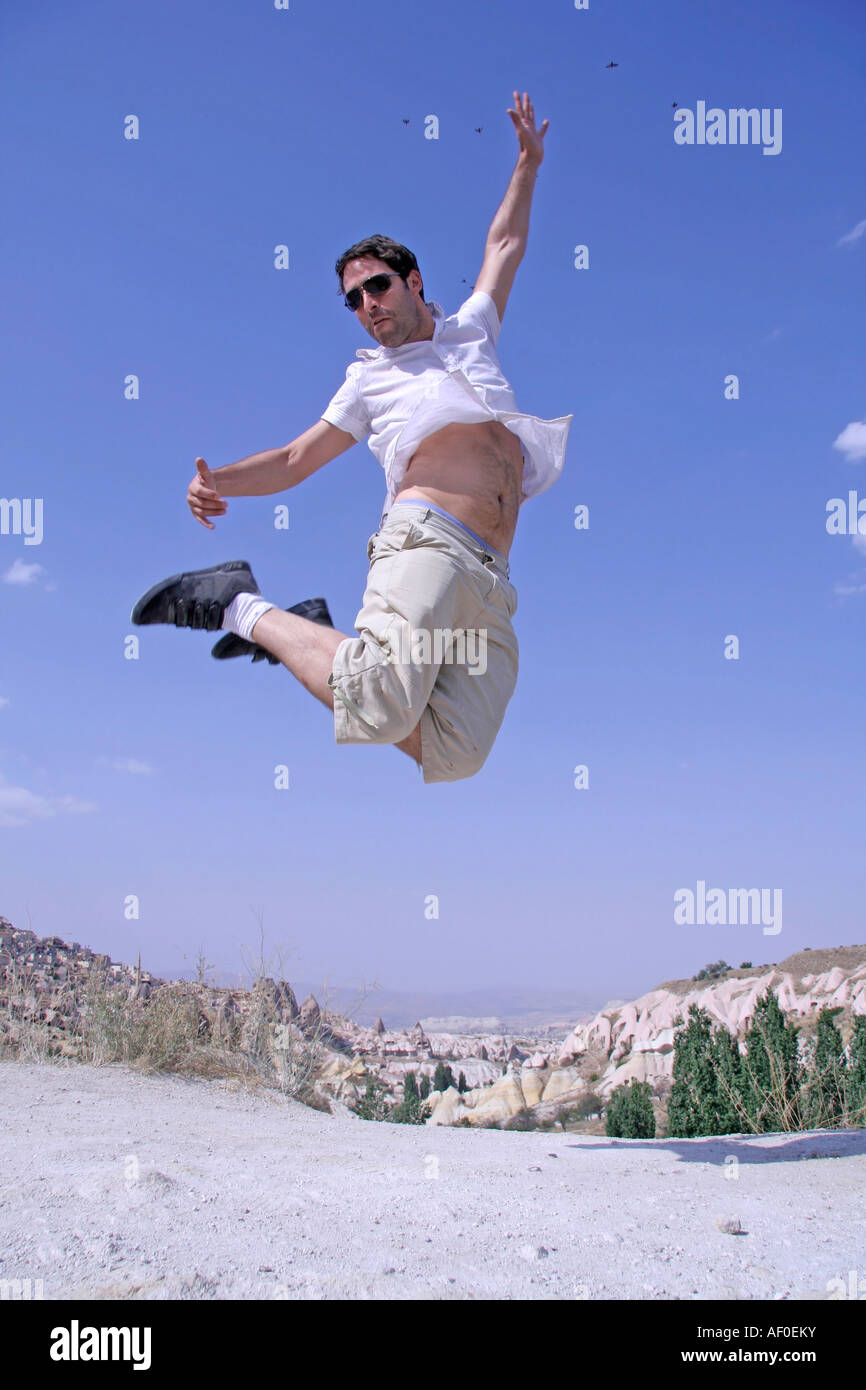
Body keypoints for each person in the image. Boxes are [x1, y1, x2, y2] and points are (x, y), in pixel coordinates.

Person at [131, 91, 572, 783]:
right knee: (379, 704)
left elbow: (505, 244)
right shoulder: (369, 379)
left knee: (457, 754)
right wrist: (218, 482)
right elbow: (296, 459)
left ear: (414, 282)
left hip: (492, 576)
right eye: (355, 299)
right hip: (425, 541)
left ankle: (310, 629)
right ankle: (236, 604)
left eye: (379, 287)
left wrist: (529, 162)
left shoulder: (471, 331)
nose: (368, 306)